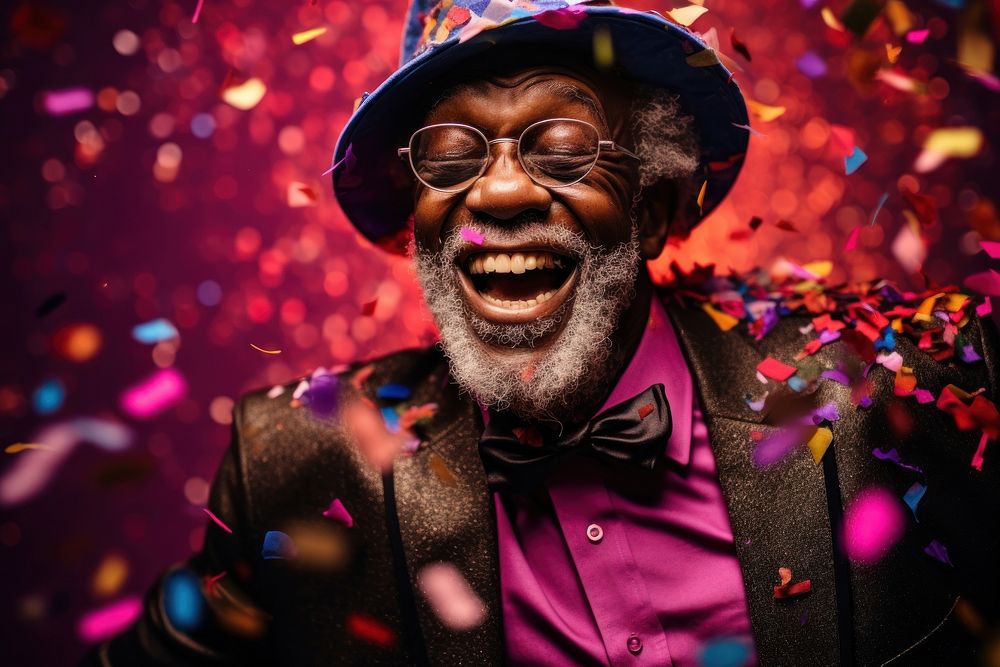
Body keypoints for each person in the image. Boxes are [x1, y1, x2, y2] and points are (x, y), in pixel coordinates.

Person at [87, 1, 1000, 665]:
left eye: (561, 147)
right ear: (419, 231)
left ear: (647, 213)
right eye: (451, 157)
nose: (502, 194)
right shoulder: (300, 461)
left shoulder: (909, 393)